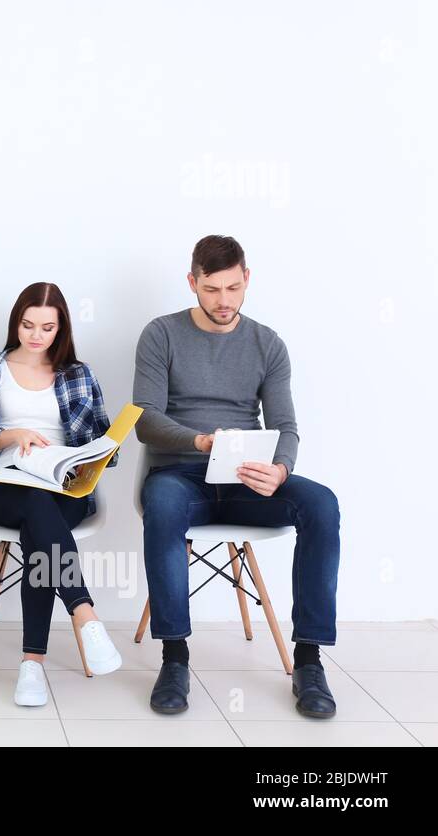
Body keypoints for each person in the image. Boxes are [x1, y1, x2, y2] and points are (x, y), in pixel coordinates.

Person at [134, 234, 340, 718]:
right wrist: (201, 442)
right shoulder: (161, 334)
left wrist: (280, 469)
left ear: (246, 279)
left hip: (247, 476)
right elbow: (144, 419)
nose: (223, 301)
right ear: (192, 283)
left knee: (322, 503)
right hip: (182, 475)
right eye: (211, 289)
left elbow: (286, 426)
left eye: (232, 287)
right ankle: (175, 657)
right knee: (162, 505)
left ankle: (308, 660)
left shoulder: (268, 344)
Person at [0, 282, 123, 706]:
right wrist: (10, 435)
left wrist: (91, 453)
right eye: (28, 324)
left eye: (47, 327)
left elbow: (105, 440)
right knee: (36, 511)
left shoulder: (79, 373)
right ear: (16, 322)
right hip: (5, 486)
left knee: (40, 532)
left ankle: (32, 666)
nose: (36, 335)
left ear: (61, 329)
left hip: (64, 486)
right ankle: (83, 614)